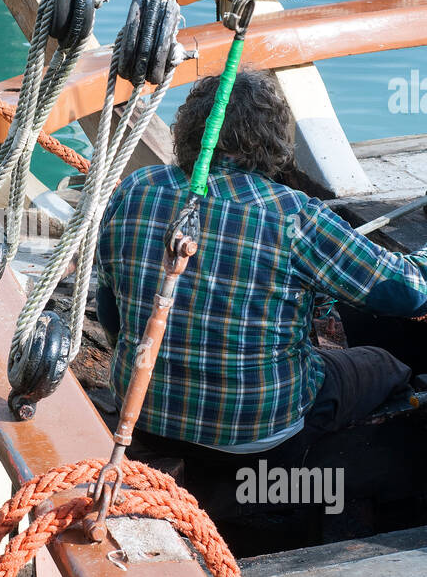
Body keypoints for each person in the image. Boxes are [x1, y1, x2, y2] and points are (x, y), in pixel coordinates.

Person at [95, 71, 427, 467]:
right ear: (271, 140)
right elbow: (409, 294)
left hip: (142, 419)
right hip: (259, 435)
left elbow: (111, 310)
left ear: (187, 131)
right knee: (383, 363)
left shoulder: (134, 189)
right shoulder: (295, 215)